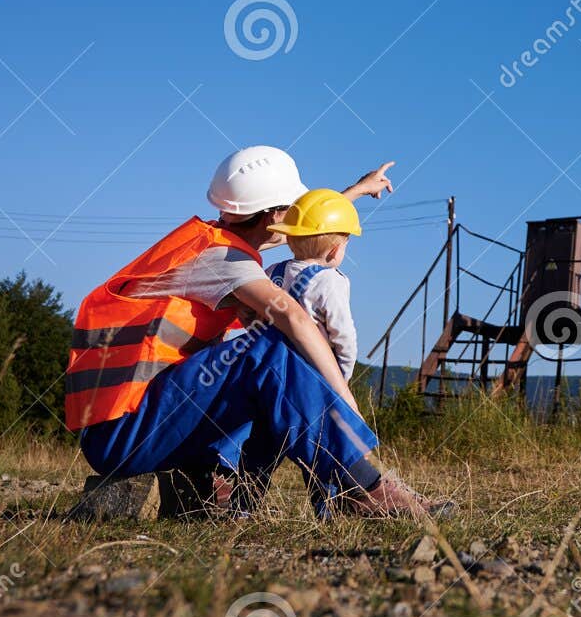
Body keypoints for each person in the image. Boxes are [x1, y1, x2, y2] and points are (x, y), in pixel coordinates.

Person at [67, 145, 442, 519]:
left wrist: (356, 192)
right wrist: (345, 401)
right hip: (123, 434)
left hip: (136, 420)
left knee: (263, 356)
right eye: (290, 209)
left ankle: (240, 483)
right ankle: (362, 487)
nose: (293, 221)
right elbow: (294, 317)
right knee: (271, 348)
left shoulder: (218, 242)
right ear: (274, 215)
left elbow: (307, 234)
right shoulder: (225, 261)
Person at [264, 189, 362, 380]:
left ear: (289, 239)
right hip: (310, 373)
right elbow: (343, 335)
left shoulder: (272, 272)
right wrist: (342, 378)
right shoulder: (331, 281)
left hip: (269, 367)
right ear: (335, 250)